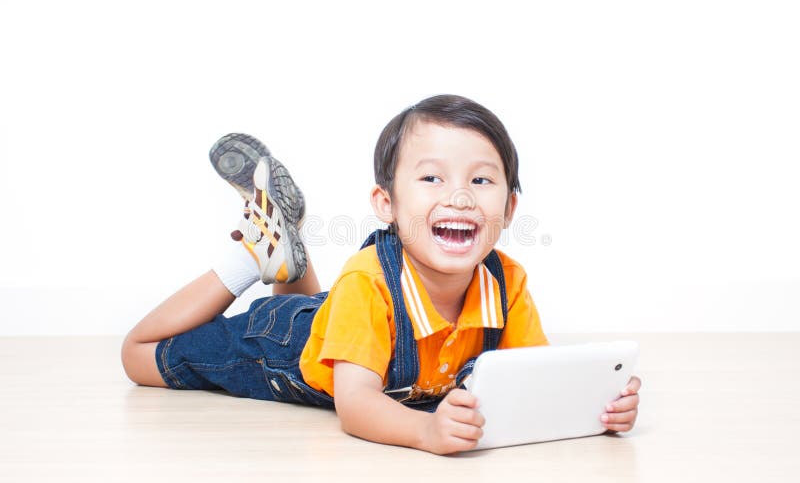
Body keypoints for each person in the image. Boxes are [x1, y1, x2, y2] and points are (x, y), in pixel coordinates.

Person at [121, 94, 641, 455]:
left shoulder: (506, 283)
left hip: (337, 322)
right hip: (279, 348)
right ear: (387, 204)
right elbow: (355, 404)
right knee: (139, 356)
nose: (459, 195)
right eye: (432, 177)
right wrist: (425, 431)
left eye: (481, 180)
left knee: (327, 309)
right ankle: (254, 258)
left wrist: (598, 407)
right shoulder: (368, 280)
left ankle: (283, 254)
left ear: (508, 209)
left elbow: (533, 378)